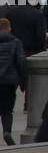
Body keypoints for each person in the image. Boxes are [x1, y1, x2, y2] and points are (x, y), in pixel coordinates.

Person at [0, 17, 28, 145]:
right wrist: (23, 82)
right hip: (9, 82)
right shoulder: (16, 42)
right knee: (7, 110)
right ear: (9, 28)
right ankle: (7, 132)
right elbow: (21, 61)